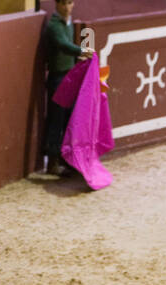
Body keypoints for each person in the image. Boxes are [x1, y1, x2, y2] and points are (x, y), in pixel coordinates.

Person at [44, 0, 93, 176]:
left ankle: (66, 159)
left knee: (68, 119)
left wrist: (77, 60)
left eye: (70, 3)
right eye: (63, 3)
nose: (67, 7)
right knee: (56, 120)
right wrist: (82, 51)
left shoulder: (68, 23)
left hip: (68, 77)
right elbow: (63, 44)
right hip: (58, 78)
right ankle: (53, 162)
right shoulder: (54, 26)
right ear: (57, 5)